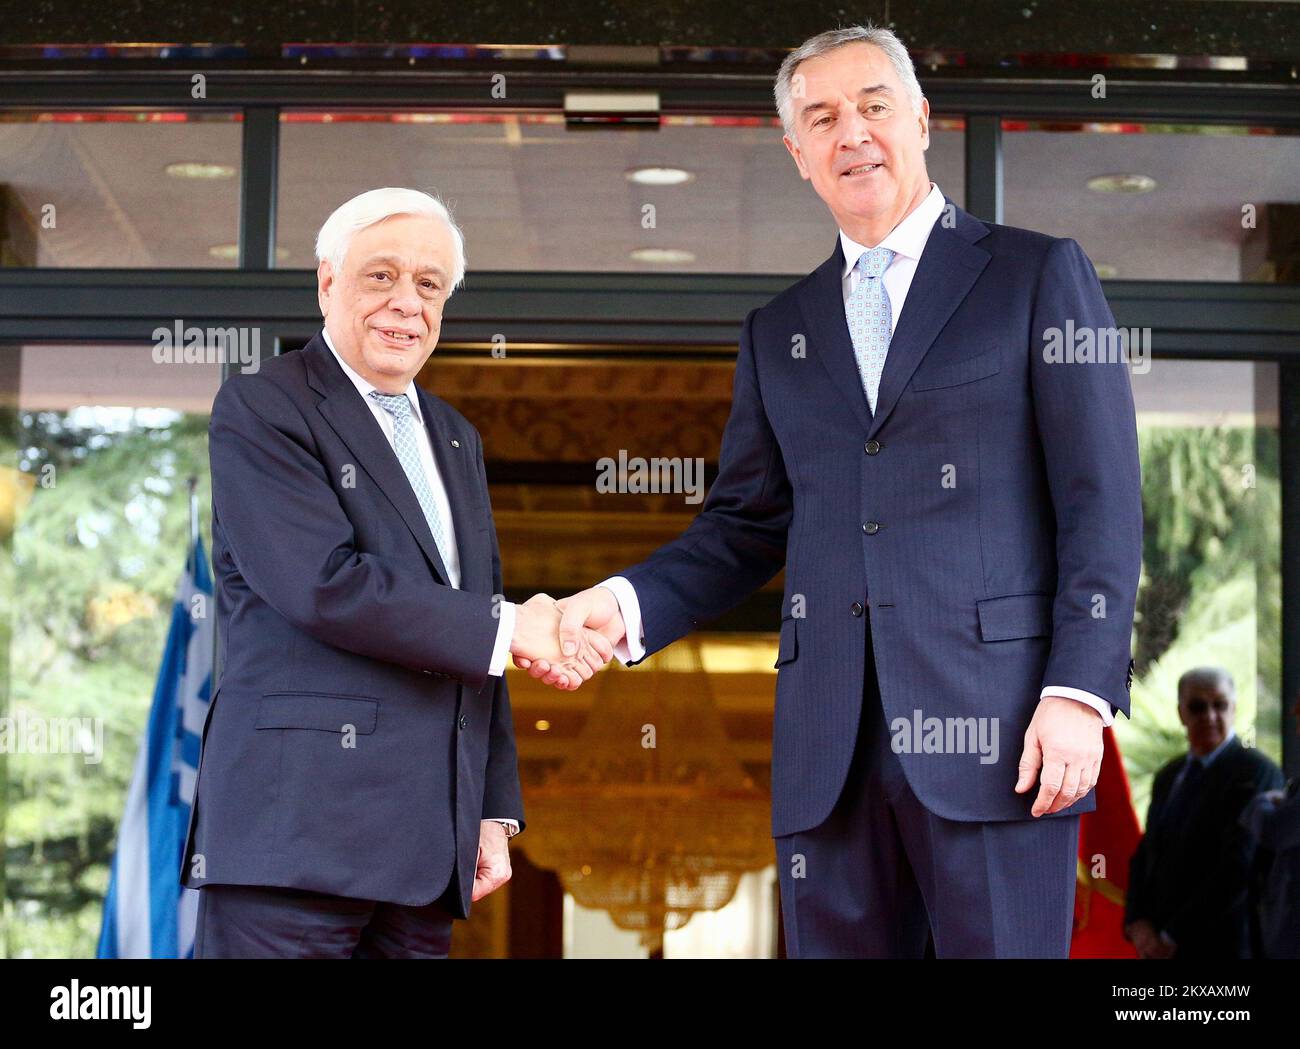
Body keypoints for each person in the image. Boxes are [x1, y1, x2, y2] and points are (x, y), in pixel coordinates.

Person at [519, 24, 1142, 958]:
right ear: (797, 154)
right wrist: (622, 605)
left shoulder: (1034, 275)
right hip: (829, 759)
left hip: (1002, 736)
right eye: (822, 117)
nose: (851, 132)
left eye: (873, 106)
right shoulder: (780, 330)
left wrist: (1080, 693)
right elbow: (742, 527)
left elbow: (1101, 499)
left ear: (921, 120)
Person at [181, 187, 610, 958]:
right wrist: (517, 625)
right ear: (326, 281)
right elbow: (324, 585)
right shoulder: (263, 407)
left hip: (419, 857)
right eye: (381, 276)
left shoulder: (454, 437)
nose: (406, 304)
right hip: (295, 844)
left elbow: (470, 624)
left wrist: (490, 807)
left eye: (429, 285)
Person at [1126, 667, 1284, 958]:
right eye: (1198, 707)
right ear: (1181, 713)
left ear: (1233, 709)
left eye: (1220, 705)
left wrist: (1171, 935)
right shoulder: (1168, 776)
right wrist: (1136, 922)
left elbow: (1239, 864)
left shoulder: (1257, 772)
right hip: (1159, 943)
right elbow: (1148, 852)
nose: (1210, 716)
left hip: (1225, 945)